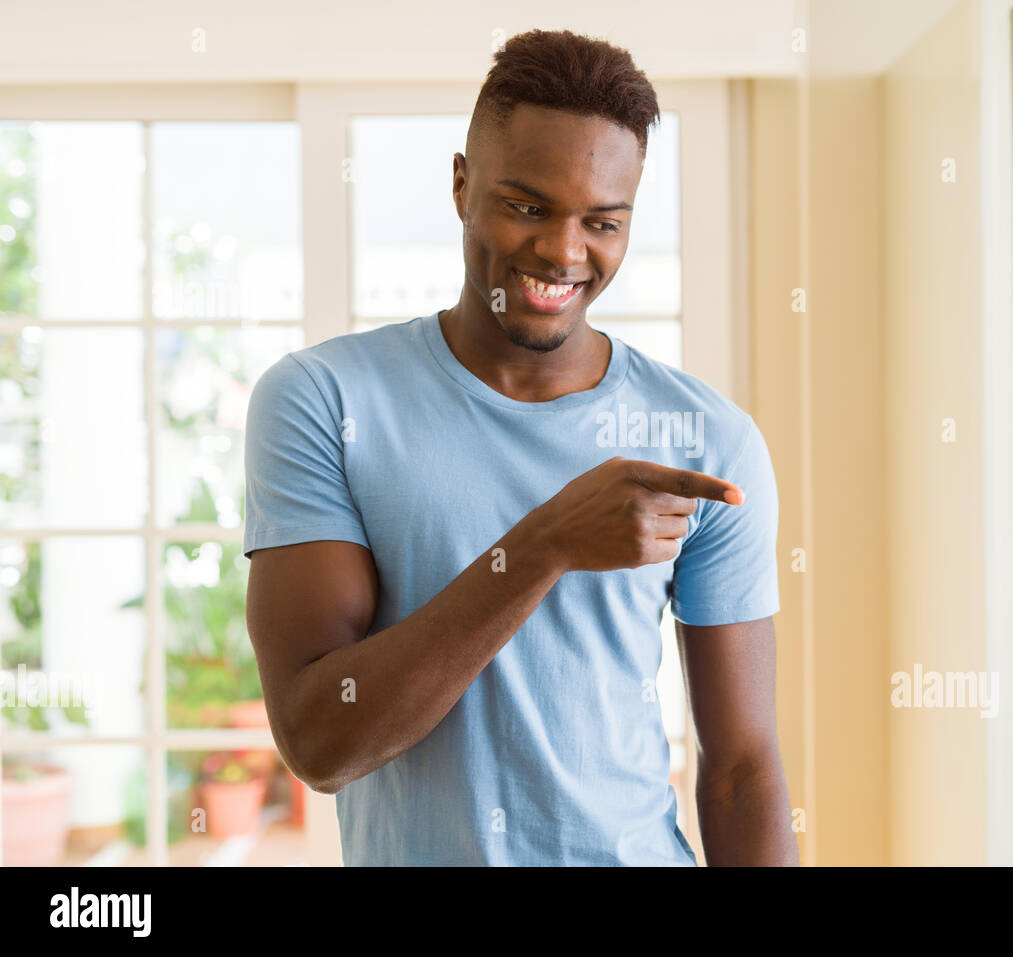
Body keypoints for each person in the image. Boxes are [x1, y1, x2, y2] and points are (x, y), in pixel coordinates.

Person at [242, 28, 796, 866]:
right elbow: (322, 740)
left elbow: (743, 769)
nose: (564, 252)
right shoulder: (326, 401)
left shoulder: (706, 440)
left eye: (602, 221)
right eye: (528, 206)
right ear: (463, 185)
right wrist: (546, 544)